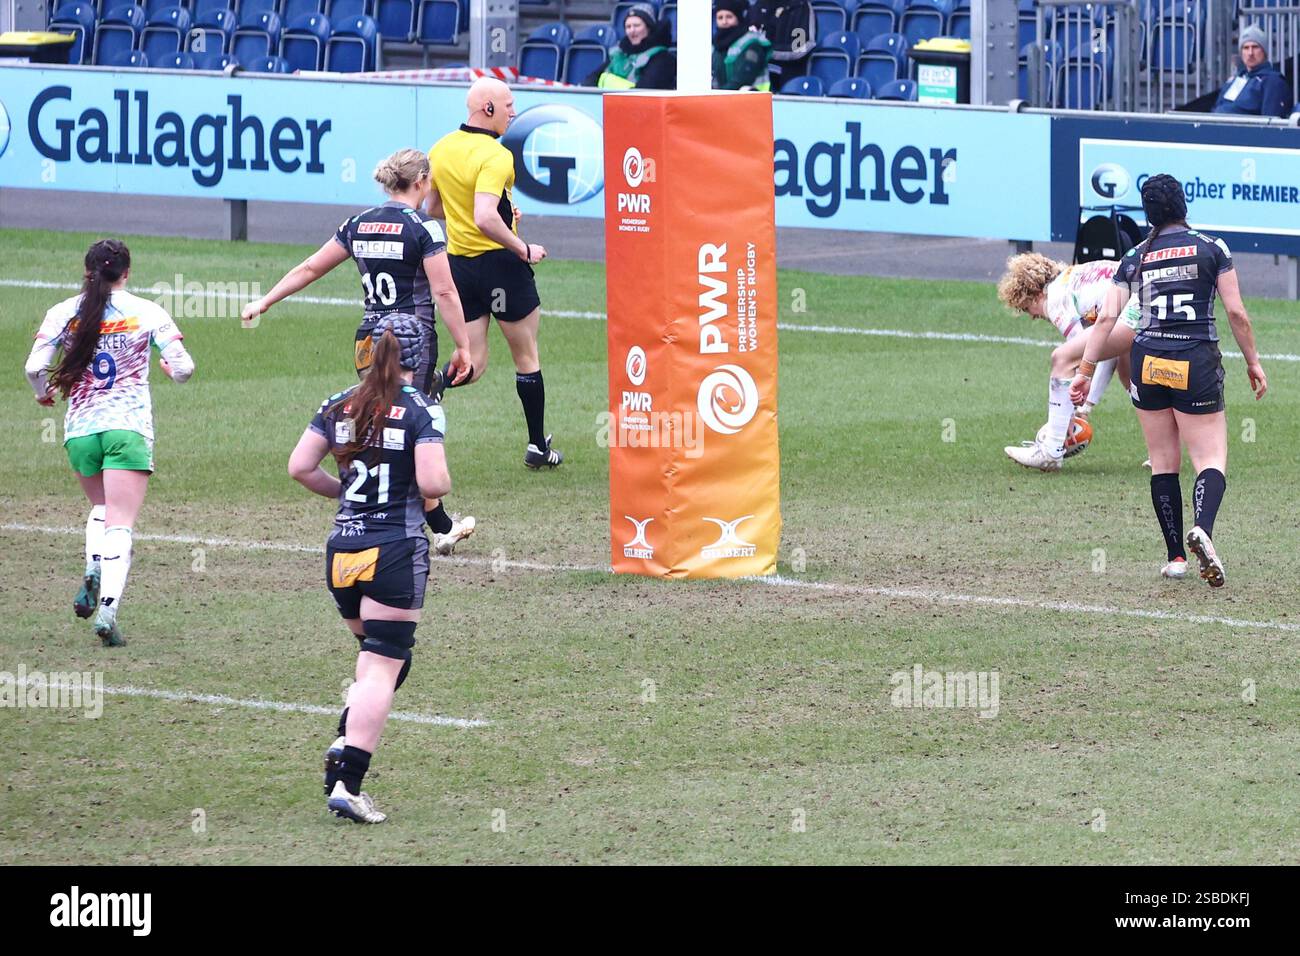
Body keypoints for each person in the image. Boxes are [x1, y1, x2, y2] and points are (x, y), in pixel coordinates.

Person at [240, 149, 477, 554]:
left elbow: (311, 267)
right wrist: (463, 346)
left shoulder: (359, 223)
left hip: (368, 341)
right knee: (408, 422)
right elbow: (443, 290)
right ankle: (415, 521)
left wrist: (266, 300)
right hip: (409, 339)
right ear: (421, 181)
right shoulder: (425, 228)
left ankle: (431, 521)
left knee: (380, 419)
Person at [288, 315, 451, 823]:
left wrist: (346, 494)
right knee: (384, 665)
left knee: (377, 659)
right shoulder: (422, 409)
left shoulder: (338, 403)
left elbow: (299, 467)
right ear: (417, 356)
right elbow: (433, 482)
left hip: (342, 552)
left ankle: (344, 739)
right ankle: (348, 782)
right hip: (394, 552)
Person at [1070, 174, 1267, 586]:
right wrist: (1253, 362)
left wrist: (1086, 372)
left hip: (1148, 362)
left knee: (1162, 461)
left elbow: (1107, 318)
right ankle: (1204, 530)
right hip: (1194, 361)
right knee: (1211, 458)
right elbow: (1236, 314)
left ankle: (1176, 556)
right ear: (1183, 204)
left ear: (1149, 214)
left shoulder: (1136, 255)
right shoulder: (1213, 248)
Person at [24, 239, 195, 647]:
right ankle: (108, 612)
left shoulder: (63, 313)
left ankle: (92, 566)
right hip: (127, 429)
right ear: (127, 272)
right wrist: (172, 371)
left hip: (81, 430)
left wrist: (42, 391)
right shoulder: (147, 311)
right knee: (121, 522)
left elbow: (33, 367)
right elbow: (185, 367)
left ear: (87, 272)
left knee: (100, 508)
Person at [427, 77, 563, 469]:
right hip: (502, 266)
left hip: (460, 267)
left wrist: (503, 213)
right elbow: (485, 216)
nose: (513, 112)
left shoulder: (442, 148)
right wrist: (523, 248)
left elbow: (435, 208)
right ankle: (538, 447)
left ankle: (425, 391)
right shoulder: (496, 155)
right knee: (526, 357)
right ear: (488, 109)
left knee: (474, 362)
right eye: (508, 105)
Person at [996, 254, 1140, 471]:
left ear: (1035, 294)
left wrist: (1080, 409)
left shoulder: (1055, 299)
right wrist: (1086, 407)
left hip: (1137, 307)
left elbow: (1090, 354)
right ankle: (1163, 453)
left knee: (1062, 358)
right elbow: (1104, 351)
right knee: (1130, 374)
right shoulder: (1072, 278)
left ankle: (1050, 451)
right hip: (1150, 301)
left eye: (1027, 308)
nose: (1033, 316)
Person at [1212, 24, 1293, 118]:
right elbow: (1217, 108)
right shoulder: (1236, 79)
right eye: (1246, 48)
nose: (1250, 53)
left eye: (1255, 47)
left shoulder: (1273, 81)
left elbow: (1271, 124)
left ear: (1264, 51)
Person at [589, 3, 677, 90]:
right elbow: (592, 78)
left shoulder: (662, 58)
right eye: (628, 27)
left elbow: (645, 91)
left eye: (637, 25)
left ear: (649, 27)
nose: (632, 30)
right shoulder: (618, 53)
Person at [750, 0, 815, 88]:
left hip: (789, 73)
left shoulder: (800, 7)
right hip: (756, 71)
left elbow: (800, 47)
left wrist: (769, 52)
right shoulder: (760, 5)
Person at [713, 0, 772, 91]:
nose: (724, 21)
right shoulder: (715, 45)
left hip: (753, 97)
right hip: (723, 98)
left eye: (729, 17)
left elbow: (744, 77)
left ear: (738, 18)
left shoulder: (752, 43)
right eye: (720, 18)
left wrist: (720, 94)